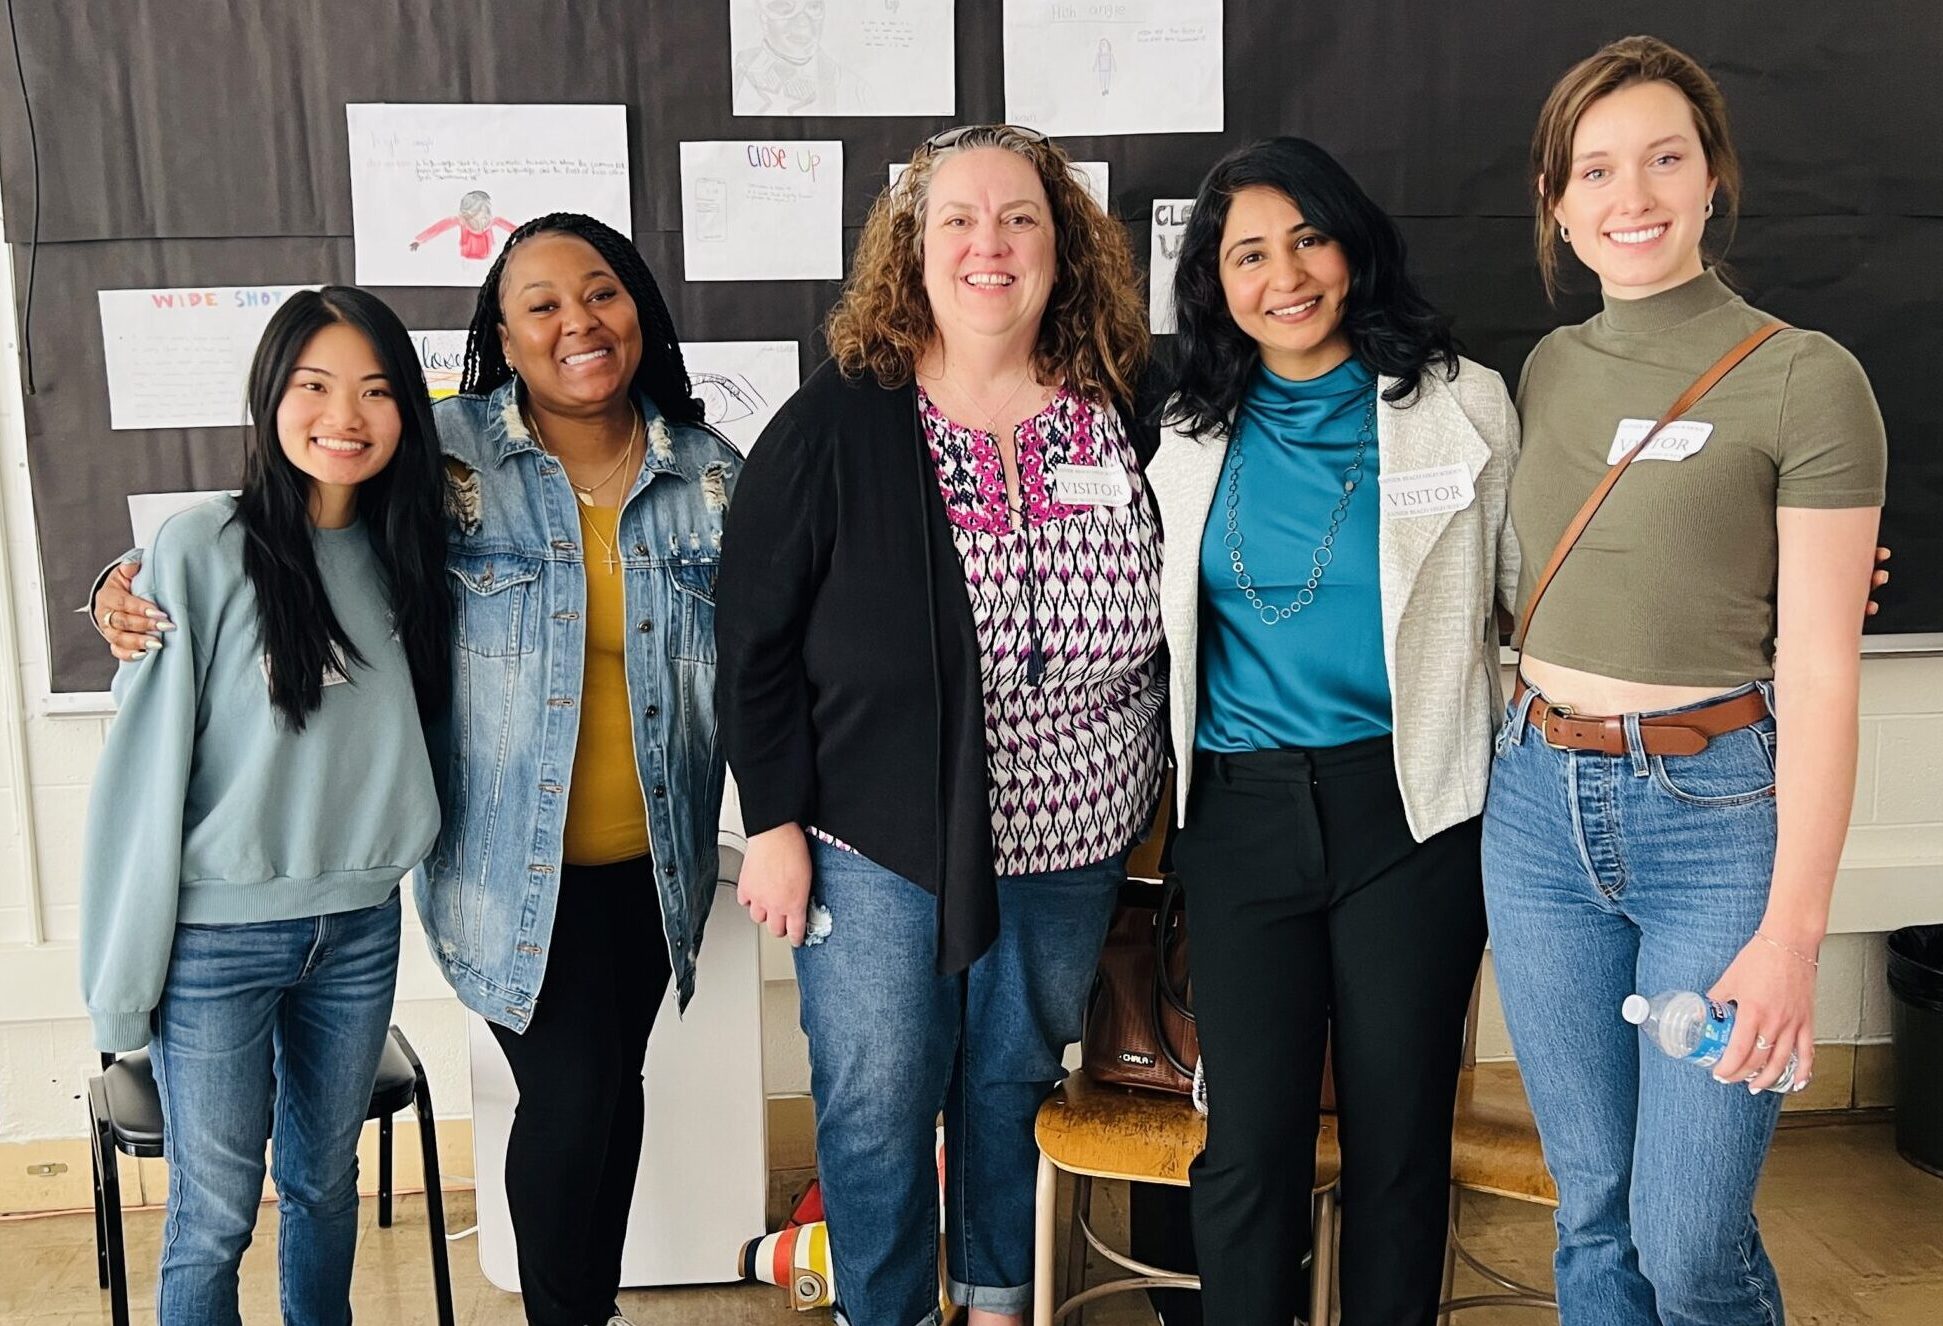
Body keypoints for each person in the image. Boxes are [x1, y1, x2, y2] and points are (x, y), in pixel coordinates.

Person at [92, 213, 740, 1326]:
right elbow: (295, 514)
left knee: (601, 1097)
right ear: (498, 329)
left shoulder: (713, 475)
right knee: (569, 1099)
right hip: (506, 873)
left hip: (652, 866)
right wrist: (124, 578)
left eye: (601, 292)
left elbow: (778, 643)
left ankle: (583, 1309)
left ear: (640, 305)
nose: (575, 322)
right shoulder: (449, 458)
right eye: (538, 303)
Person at [716, 124, 1161, 1326]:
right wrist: (773, 824)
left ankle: (999, 1301)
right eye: (956, 220)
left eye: (1018, 217)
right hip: (878, 834)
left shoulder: (1129, 407)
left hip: (1074, 830)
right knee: (875, 1094)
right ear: (911, 252)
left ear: (1061, 245)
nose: (988, 244)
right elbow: (750, 635)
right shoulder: (838, 423)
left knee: (1009, 1079)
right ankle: (892, 1309)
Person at [1484, 36, 1887, 1326]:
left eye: (1663, 157)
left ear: (1711, 176)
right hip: (1536, 810)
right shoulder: (1540, 374)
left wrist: (1791, 935)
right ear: (1556, 201)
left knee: (1685, 1239)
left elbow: (1823, 668)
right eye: (1593, 169)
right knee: (1589, 1211)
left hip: (1712, 826)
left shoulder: (1805, 377)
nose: (1630, 195)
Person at [1147, 137, 1519, 1326]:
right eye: (1247, 254)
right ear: (1214, 283)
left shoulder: (1459, 401)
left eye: (1307, 238)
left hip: (1410, 812)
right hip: (1242, 815)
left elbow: (1536, 590)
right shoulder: (1184, 428)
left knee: (1397, 1142)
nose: (1285, 275)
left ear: (1352, 246)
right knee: (1247, 1146)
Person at [80, 286, 450, 1326]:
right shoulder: (196, 549)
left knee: (325, 1188)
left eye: (378, 390)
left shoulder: (415, 551)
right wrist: (119, 987)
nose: (346, 414)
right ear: (268, 396)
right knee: (214, 1213)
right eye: (315, 385)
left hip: (361, 929)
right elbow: (139, 778)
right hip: (216, 943)